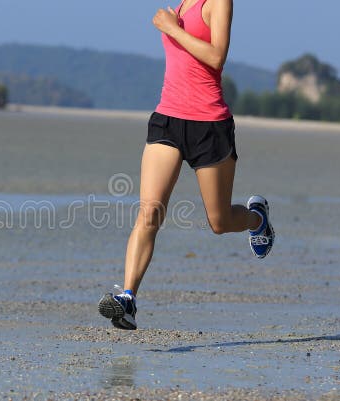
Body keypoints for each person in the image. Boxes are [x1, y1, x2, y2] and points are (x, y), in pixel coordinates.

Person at [97, 0, 275, 331]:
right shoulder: (181, 3)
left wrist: (172, 29)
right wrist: (173, 27)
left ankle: (257, 218)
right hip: (167, 118)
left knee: (219, 221)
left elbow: (217, 56)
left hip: (209, 125)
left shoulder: (219, 2)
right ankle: (128, 298)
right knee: (150, 211)